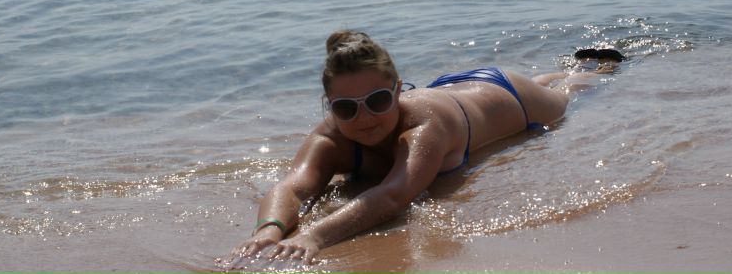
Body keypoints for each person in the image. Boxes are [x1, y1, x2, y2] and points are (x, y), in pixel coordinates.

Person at [230, 30, 624, 265]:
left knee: (568, 92)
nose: (364, 117)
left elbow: (393, 195)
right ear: (329, 106)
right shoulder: (330, 136)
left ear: (398, 91)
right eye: (347, 107)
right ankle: (556, 72)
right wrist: (269, 230)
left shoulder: (422, 127)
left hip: (509, 96)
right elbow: (294, 187)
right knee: (551, 83)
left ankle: (585, 69)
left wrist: (314, 237)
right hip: (455, 90)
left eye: (378, 101)